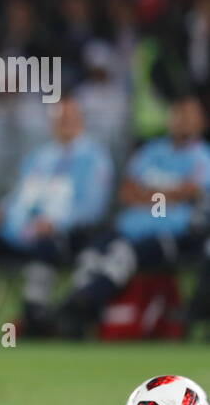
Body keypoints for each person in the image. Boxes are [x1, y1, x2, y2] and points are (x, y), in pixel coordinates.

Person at [0, 96, 112, 339]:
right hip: (18, 231)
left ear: (81, 121)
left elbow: (92, 207)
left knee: (44, 246)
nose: (64, 123)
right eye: (59, 118)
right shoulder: (40, 156)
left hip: (63, 235)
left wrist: (55, 223)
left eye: (69, 118)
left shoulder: (94, 158)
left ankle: (34, 317)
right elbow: (19, 195)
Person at [58, 97, 210, 338]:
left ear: (201, 122)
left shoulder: (203, 156)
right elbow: (127, 192)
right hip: (129, 227)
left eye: (188, 115)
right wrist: (168, 193)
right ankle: (75, 315)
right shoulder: (150, 151)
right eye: (177, 114)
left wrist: (148, 193)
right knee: (91, 254)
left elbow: (191, 191)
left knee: (122, 254)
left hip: (171, 235)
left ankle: (83, 306)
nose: (182, 121)